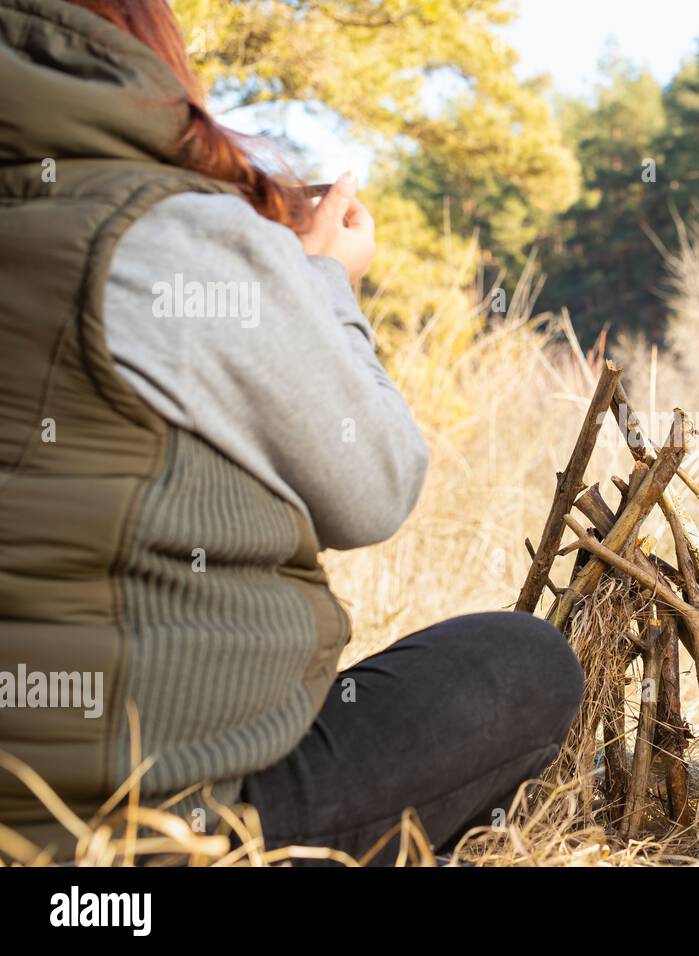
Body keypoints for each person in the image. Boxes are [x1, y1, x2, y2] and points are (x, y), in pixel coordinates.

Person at [0, 0, 583, 863]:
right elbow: (375, 486)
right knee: (523, 664)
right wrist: (321, 285)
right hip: (149, 833)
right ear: (143, 60)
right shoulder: (168, 238)